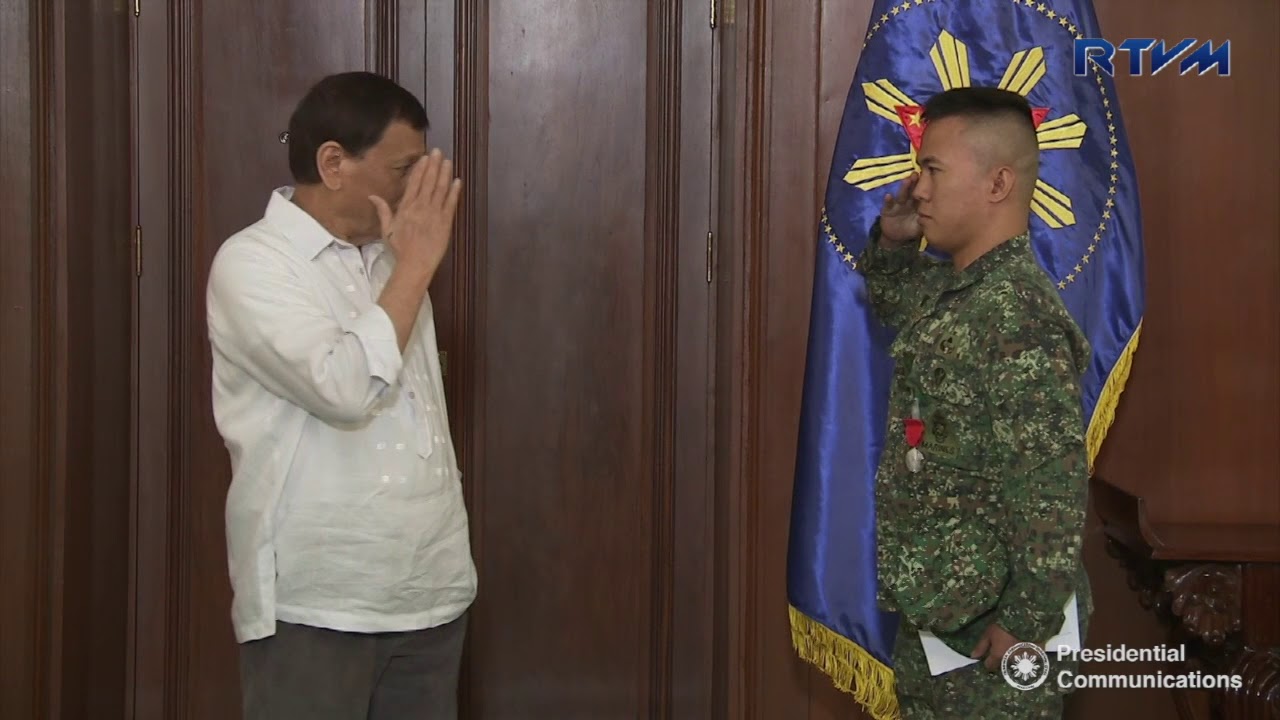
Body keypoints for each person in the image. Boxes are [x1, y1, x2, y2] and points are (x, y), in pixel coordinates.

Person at [206, 71, 475, 720]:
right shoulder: (253, 264)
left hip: (429, 594)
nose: (418, 188)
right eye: (404, 167)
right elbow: (345, 388)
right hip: (316, 604)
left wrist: (405, 265)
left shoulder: (389, 258)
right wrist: (417, 265)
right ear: (333, 163)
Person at [857, 86, 1093, 719]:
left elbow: (1052, 486)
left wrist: (1024, 623)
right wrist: (898, 241)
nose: (919, 188)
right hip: (950, 615)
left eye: (932, 169)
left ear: (997, 185)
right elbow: (896, 305)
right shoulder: (967, 291)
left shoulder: (1016, 316)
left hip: (996, 641)